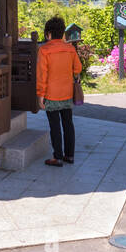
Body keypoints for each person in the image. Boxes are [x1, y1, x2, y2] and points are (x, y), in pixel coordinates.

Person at [35, 15, 82, 167]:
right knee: (68, 123)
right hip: (67, 92)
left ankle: (58, 157)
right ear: (62, 33)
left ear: (48, 34)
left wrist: (40, 95)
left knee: (55, 126)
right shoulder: (70, 49)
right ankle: (70, 155)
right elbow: (78, 68)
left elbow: (42, 75)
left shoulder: (44, 50)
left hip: (51, 94)